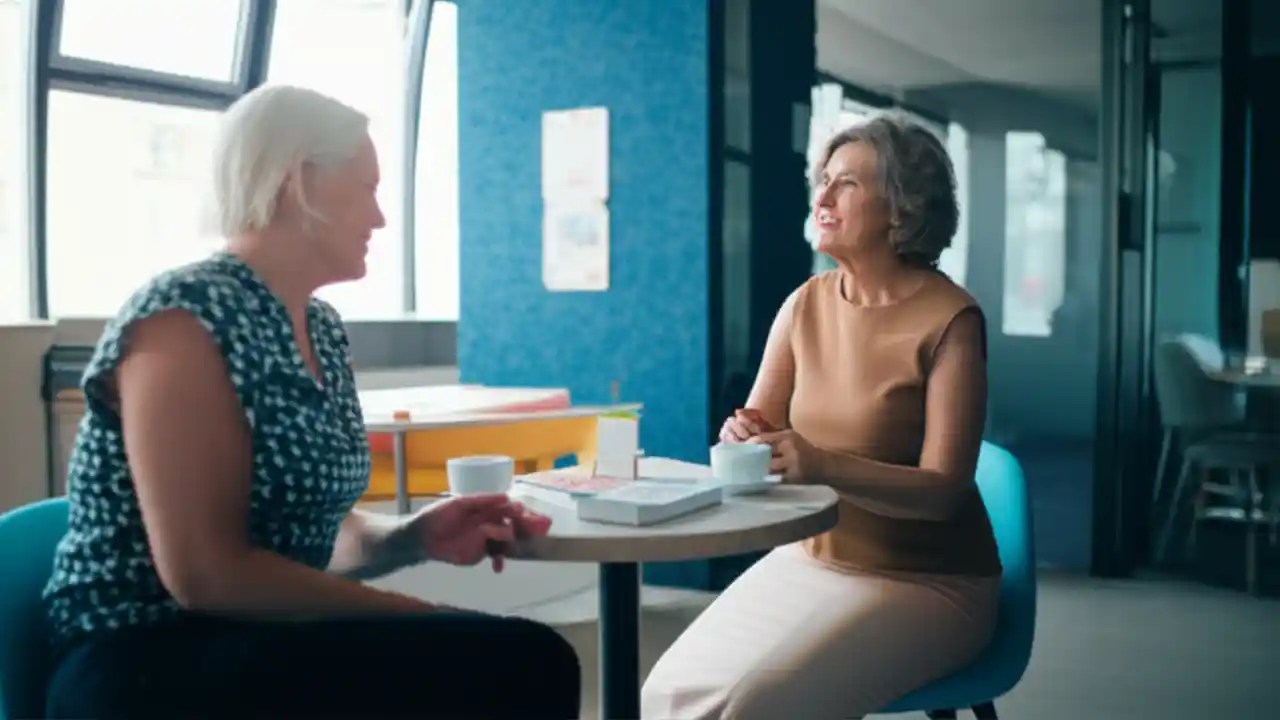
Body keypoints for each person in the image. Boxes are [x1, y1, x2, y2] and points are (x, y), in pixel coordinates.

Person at [42, 85, 580, 720]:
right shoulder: (181, 319)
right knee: (518, 660)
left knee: (516, 658)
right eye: (368, 188)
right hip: (144, 659)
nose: (380, 218)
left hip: (259, 640)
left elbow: (312, 542)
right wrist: (424, 616)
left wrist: (414, 536)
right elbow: (209, 577)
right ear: (301, 182)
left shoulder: (320, 326)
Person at [641, 114, 1002, 719]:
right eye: (824, 180)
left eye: (848, 184)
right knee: (664, 694)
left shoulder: (952, 321)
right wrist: (744, 435)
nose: (824, 196)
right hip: (811, 556)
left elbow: (944, 493)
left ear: (902, 209)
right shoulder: (804, 304)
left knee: (753, 707)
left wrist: (822, 463)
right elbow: (759, 422)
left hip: (930, 582)